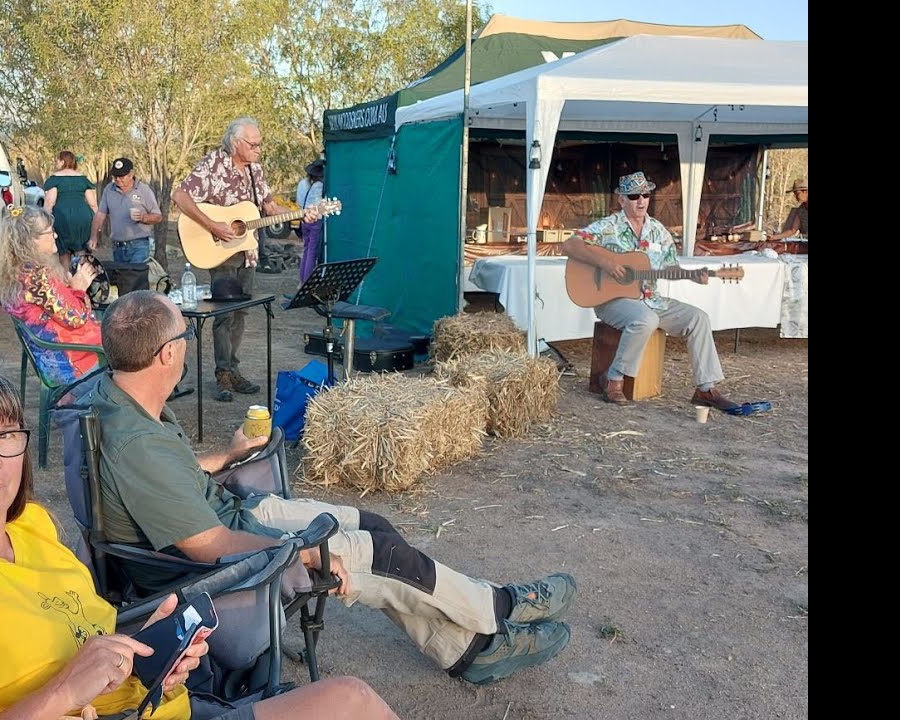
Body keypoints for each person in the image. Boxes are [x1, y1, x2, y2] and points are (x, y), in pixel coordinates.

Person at [0, 357, 401, 720]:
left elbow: (79, 629)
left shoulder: (30, 527)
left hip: (154, 703)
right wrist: (64, 692)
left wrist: (148, 654)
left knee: (351, 700)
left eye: (5, 437)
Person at [92, 290, 576, 687]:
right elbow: (206, 547)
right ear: (168, 353)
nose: (188, 342)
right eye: (186, 333)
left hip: (230, 512)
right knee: (385, 555)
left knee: (372, 525)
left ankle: (472, 650)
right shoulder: (136, 444)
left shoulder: (126, 399)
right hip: (218, 561)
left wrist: (230, 456)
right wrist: (300, 553)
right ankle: (499, 609)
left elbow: (168, 475)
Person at [561, 171, 743, 410]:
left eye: (645, 194)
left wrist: (694, 275)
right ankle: (613, 378)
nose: (641, 200)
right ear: (622, 199)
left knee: (698, 318)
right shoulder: (608, 227)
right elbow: (569, 244)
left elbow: (669, 267)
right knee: (646, 319)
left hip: (650, 298)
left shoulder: (658, 230)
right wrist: (605, 263)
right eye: (634, 195)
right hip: (612, 300)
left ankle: (705, 389)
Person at [171, 117, 319, 402]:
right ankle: (222, 374)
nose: (258, 148)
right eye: (253, 144)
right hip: (219, 250)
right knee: (223, 314)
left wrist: (302, 214)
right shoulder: (212, 165)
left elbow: (270, 207)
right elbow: (180, 196)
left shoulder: (255, 171)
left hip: (247, 250)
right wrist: (214, 226)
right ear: (235, 142)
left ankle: (234, 370)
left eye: (259, 144)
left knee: (241, 312)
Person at [0, 205, 101, 386]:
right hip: (70, 362)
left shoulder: (19, 272)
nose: (55, 236)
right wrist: (79, 288)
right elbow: (75, 318)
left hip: (55, 354)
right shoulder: (35, 276)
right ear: (30, 241)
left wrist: (69, 287)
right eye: (50, 232)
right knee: (133, 351)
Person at [90, 157, 163, 265]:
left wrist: (143, 218)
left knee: (135, 278)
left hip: (139, 245)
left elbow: (158, 216)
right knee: (121, 280)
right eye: (115, 176)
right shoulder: (109, 190)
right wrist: (93, 237)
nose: (118, 180)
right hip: (117, 246)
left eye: (121, 176)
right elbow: (100, 214)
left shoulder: (143, 190)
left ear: (131, 174)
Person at [44, 150, 99, 270]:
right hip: (83, 217)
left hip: (62, 218)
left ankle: (68, 280)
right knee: (83, 252)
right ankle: (84, 280)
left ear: (62, 161)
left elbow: (50, 202)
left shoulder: (55, 179)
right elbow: (93, 204)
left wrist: (46, 221)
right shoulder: (82, 179)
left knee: (64, 253)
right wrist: (97, 223)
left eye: (57, 161)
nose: (56, 163)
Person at [296, 158, 325, 282]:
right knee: (312, 251)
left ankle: (302, 280)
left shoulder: (303, 183)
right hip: (315, 220)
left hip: (304, 220)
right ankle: (307, 281)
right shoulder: (320, 186)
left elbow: (298, 201)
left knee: (306, 249)